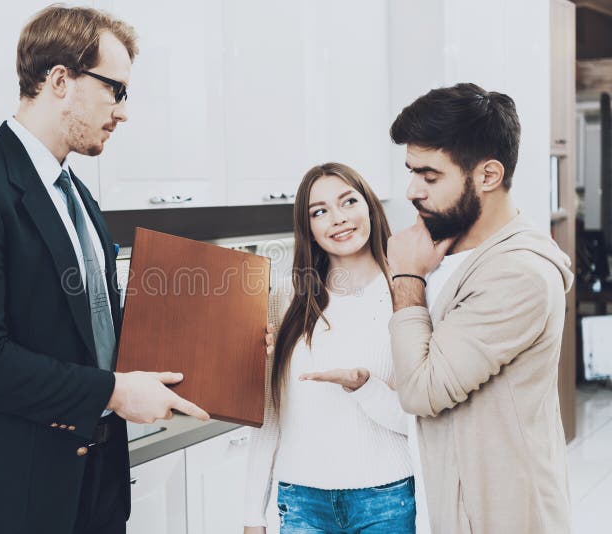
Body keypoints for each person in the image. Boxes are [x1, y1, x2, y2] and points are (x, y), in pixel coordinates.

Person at [0, 6, 209, 534]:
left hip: (98, 487)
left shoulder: (79, 196)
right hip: (13, 498)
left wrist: (216, 350)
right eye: (116, 90)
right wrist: (113, 392)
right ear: (59, 81)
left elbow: (96, 328)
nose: (123, 112)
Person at [386, 83, 573, 533]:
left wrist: (406, 278)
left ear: (488, 175)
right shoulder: (438, 250)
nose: (412, 190)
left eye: (430, 177)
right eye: (411, 172)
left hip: (502, 517)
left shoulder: (519, 274)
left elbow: (423, 390)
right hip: (442, 504)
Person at [243, 163, 416, 534]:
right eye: (319, 212)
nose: (338, 219)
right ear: (308, 228)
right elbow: (269, 413)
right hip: (301, 502)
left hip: (386, 498)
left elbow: (419, 422)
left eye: (348, 202)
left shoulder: (408, 293)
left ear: (369, 205)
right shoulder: (285, 299)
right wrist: (252, 516)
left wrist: (363, 386)